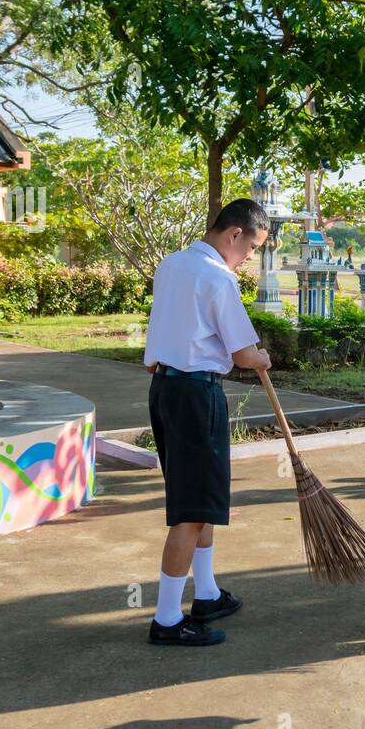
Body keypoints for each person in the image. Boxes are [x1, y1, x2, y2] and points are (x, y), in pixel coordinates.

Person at [141, 198, 272, 646]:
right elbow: (243, 354)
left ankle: (208, 593)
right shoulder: (218, 278)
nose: (248, 259)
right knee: (192, 512)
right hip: (197, 394)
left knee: (203, 499)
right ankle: (167, 621)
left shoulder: (171, 265)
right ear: (235, 234)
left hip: (165, 388)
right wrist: (263, 357)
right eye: (251, 249)